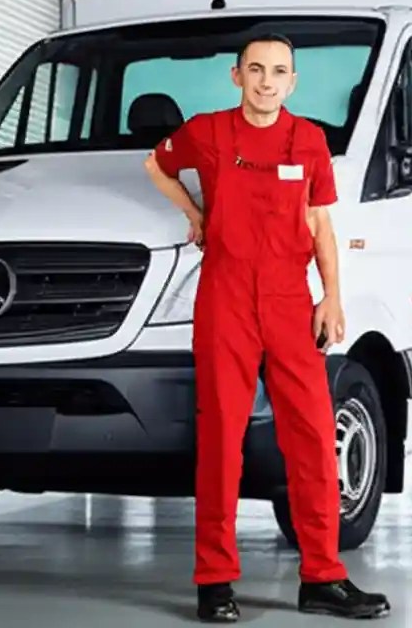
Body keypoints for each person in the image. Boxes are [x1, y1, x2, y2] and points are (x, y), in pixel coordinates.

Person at [143, 34, 391, 623]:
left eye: (278, 71)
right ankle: (214, 581)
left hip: (288, 300)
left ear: (292, 81)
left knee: (310, 433)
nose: (266, 81)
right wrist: (194, 213)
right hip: (226, 297)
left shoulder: (308, 141)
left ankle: (323, 577)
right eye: (255, 70)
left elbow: (320, 224)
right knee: (222, 438)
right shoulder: (207, 131)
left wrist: (332, 296)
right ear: (236, 77)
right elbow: (156, 164)